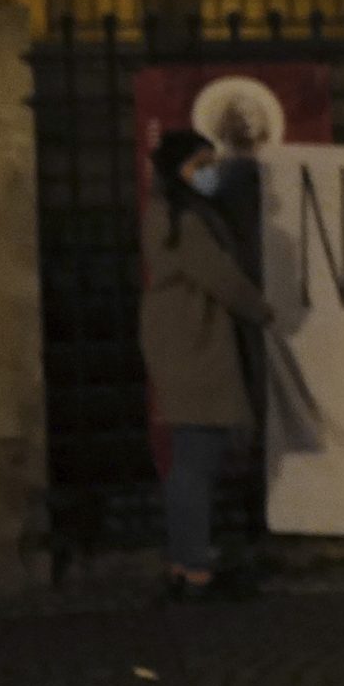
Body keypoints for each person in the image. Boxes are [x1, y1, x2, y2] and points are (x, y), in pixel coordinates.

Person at [141, 128, 275, 600]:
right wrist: (264, 310)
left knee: (191, 458)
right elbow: (221, 278)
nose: (209, 173)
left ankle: (186, 558)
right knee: (197, 459)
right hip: (192, 347)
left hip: (185, 344)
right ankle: (195, 566)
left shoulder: (176, 214)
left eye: (211, 163)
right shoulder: (182, 221)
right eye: (200, 165)